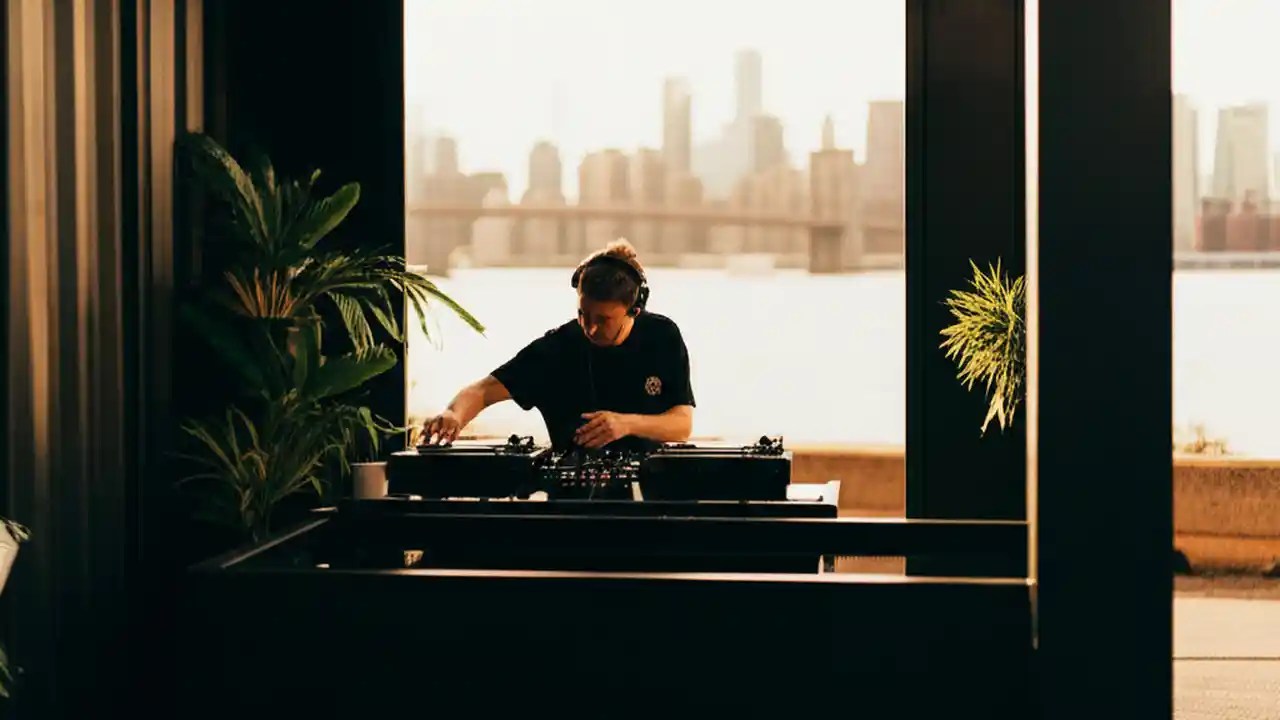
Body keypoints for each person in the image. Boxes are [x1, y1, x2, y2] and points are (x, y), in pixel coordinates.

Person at [419, 239, 695, 452]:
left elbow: (682, 424)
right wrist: (452, 414)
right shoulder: (556, 349)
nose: (590, 327)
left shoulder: (662, 336)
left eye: (604, 319)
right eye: (583, 314)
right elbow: (482, 391)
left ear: (634, 309)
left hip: (650, 489)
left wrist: (625, 424)